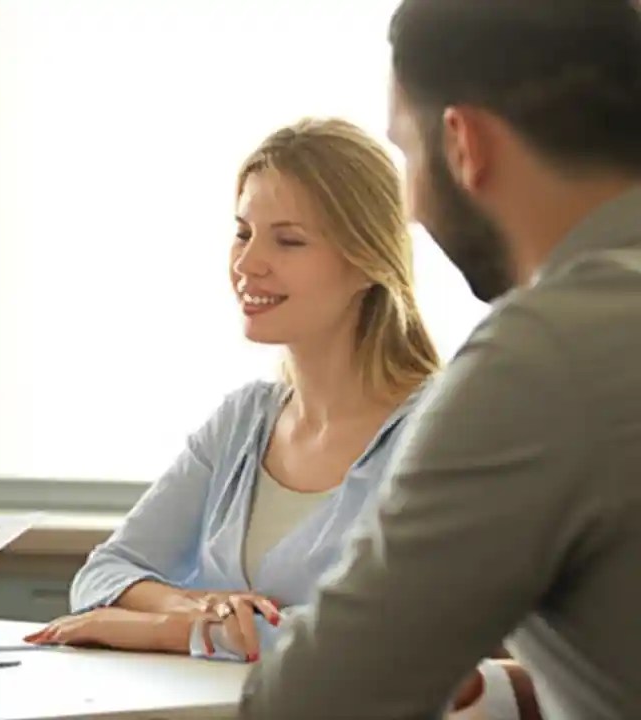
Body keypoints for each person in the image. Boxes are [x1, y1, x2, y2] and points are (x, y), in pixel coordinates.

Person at [239, 1, 641, 718]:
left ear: (464, 144)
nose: (411, 210)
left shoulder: (545, 356)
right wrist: (504, 688)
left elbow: (312, 704)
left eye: (405, 153)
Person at [26, 118, 439, 663]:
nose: (247, 264)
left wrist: (164, 630)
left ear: (368, 262)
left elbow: (384, 636)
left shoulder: (437, 431)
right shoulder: (243, 422)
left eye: (288, 241)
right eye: (243, 233)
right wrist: (198, 608)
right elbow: (104, 573)